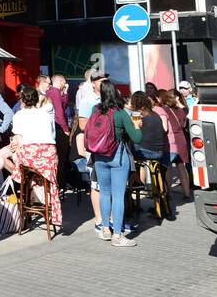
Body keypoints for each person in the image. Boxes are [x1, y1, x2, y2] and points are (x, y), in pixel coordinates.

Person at [88, 83, 142, 247]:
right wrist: (137, 126)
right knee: (118, 196)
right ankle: (117, 236)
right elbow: (137, 138)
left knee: (104, 193)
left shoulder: (95, 110)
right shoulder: (121, 114)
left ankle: (105, 229)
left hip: (99, 156)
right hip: (117, 156)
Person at [6, 84, 62, 229]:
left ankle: (25, 185)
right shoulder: (45, 114)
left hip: (32, 155)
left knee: (9, 155)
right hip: (49, 154)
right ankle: (36, 189)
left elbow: (18, 139)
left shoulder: (19, 115)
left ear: (22, 101)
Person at [73, 70, 108, 235]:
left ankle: (114, 219)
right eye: (100, 80)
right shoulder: (88, 101)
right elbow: (82, 125)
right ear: (93, 83)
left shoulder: (112, 98)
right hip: (94, 146)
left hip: (111, 147)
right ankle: (99, 220)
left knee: (110, 184)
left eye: (106, 79)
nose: (104, 82)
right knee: (97, 184)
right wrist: (102, 129)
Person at [130, 91, 171, 221]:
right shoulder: (155, 115)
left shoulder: (137, 115)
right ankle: (160, 204)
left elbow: (134, 132)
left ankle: (134, 187)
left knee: (128, 156)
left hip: (144, 152)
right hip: (158, 153)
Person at [159, 88, 193, 203]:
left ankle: (169, 192)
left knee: (168, 167)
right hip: (181, 138)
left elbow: (165, 127)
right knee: (181, 167)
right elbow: (183, 125)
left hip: (170, 139)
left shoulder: (164, 110)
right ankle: (187, 193)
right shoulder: (181, 110)